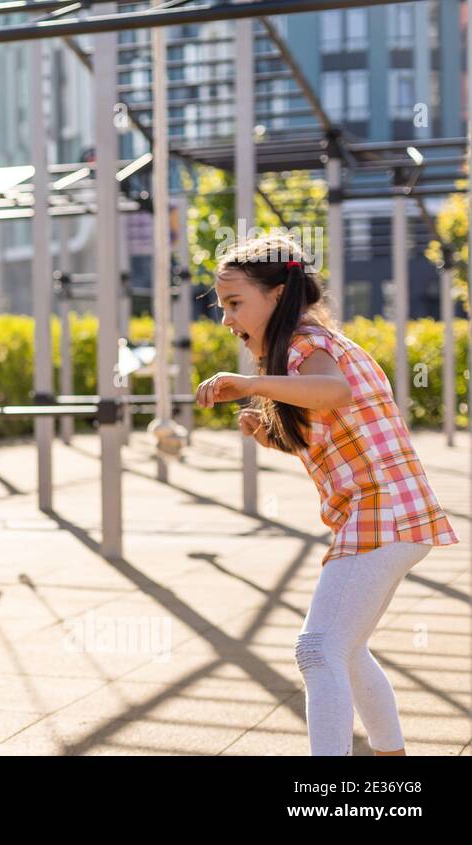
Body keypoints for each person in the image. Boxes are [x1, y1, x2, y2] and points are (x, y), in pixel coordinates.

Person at [195, 234, 458, 756]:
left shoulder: (303, 344)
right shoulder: (306, 348)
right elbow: (339, 431)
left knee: (318, 650)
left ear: (277, 294)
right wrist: (270, 434)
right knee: (348, 650)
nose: (226, 319)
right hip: (392, 511)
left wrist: (250, 384)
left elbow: (334, 392)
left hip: (381, 512)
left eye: (234, 303)